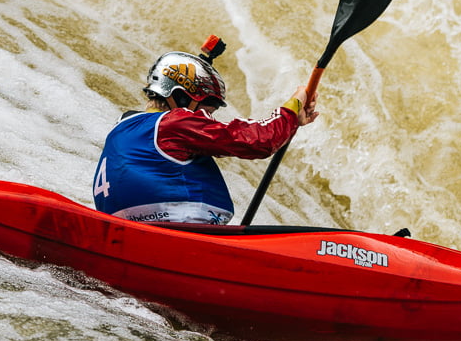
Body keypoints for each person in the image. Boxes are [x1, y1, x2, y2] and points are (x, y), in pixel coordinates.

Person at [92, 36, 318, 224]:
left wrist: (292, 123)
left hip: (125, 226)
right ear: (179, 96)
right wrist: (294, 105)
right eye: (204, 109)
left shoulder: (122, 125)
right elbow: (259, 141)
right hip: (177, 230)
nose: (207, 118)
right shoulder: (175, 123)